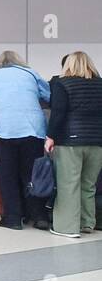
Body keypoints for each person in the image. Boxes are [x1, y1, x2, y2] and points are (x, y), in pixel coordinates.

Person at [0, 51, 52, 230]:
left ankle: (13, 218)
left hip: (4, 128)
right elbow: (49, 96)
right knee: (32, 174)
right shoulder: (31, 73)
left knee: (7, 174)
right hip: (32, 129)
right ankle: (39, 216)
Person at [45, 51, 102, 239]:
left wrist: (51, 136)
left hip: (71, 140)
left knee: (69, 184)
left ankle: (67, 227)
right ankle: (87, 223)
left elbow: (59, 113)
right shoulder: (100, 84)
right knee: (89, 184)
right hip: (97, 141)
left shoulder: (63, 84)